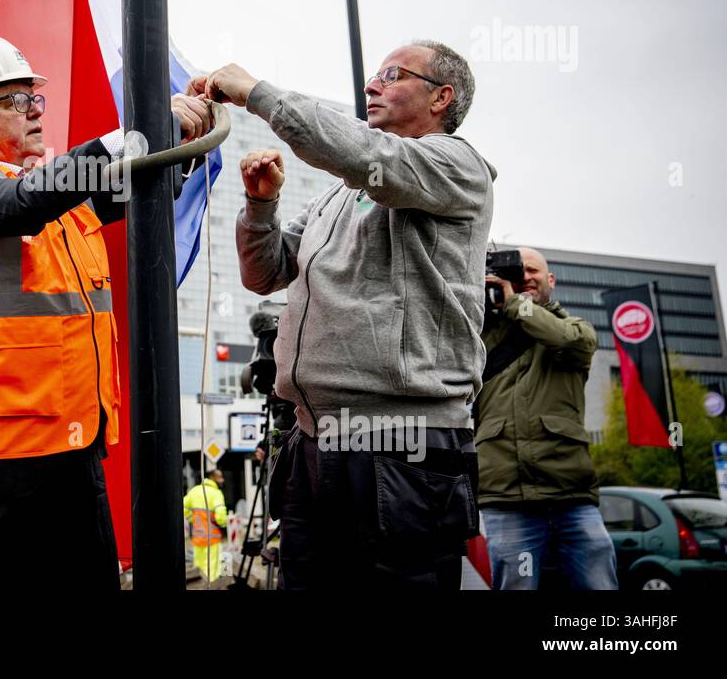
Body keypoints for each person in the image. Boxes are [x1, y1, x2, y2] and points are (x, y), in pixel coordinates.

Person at [0, 33, 212, 589]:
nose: (36, 112)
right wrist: (136, 135)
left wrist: (178, 135)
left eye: (36, 100)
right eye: (18, 102)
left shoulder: (48, 199)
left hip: (70, 446)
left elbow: (134, 187)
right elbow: (27, 201)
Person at [200, 42, 494, 589]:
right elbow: (266, 273)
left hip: (400, 443)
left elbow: (367, 155)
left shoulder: (457, 164)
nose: (371, 85)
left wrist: (255, 93)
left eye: (392, 74)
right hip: (315, 440)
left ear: (441, 98)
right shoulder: (339, 195)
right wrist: (260, 207)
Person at [479, 247, 617, 589]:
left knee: (598, 585)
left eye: (533, 270)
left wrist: (513, 304)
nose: (525, 277)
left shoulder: (576, 330)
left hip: (570, 494)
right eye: (517, 271)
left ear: (550, 280)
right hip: (506, 496)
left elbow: (566, 340)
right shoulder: (482, 336)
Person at [183, 469, 229, 583]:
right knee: (212, 569)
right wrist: (224, 524)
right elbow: (220, 516)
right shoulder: (216, 493)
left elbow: (183, 506)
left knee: (199, 568)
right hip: (212, 537)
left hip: (198, 536)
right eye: (220, 477)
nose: (222, 480)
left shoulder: (195, 491)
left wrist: (191, 519)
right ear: (214, 478)